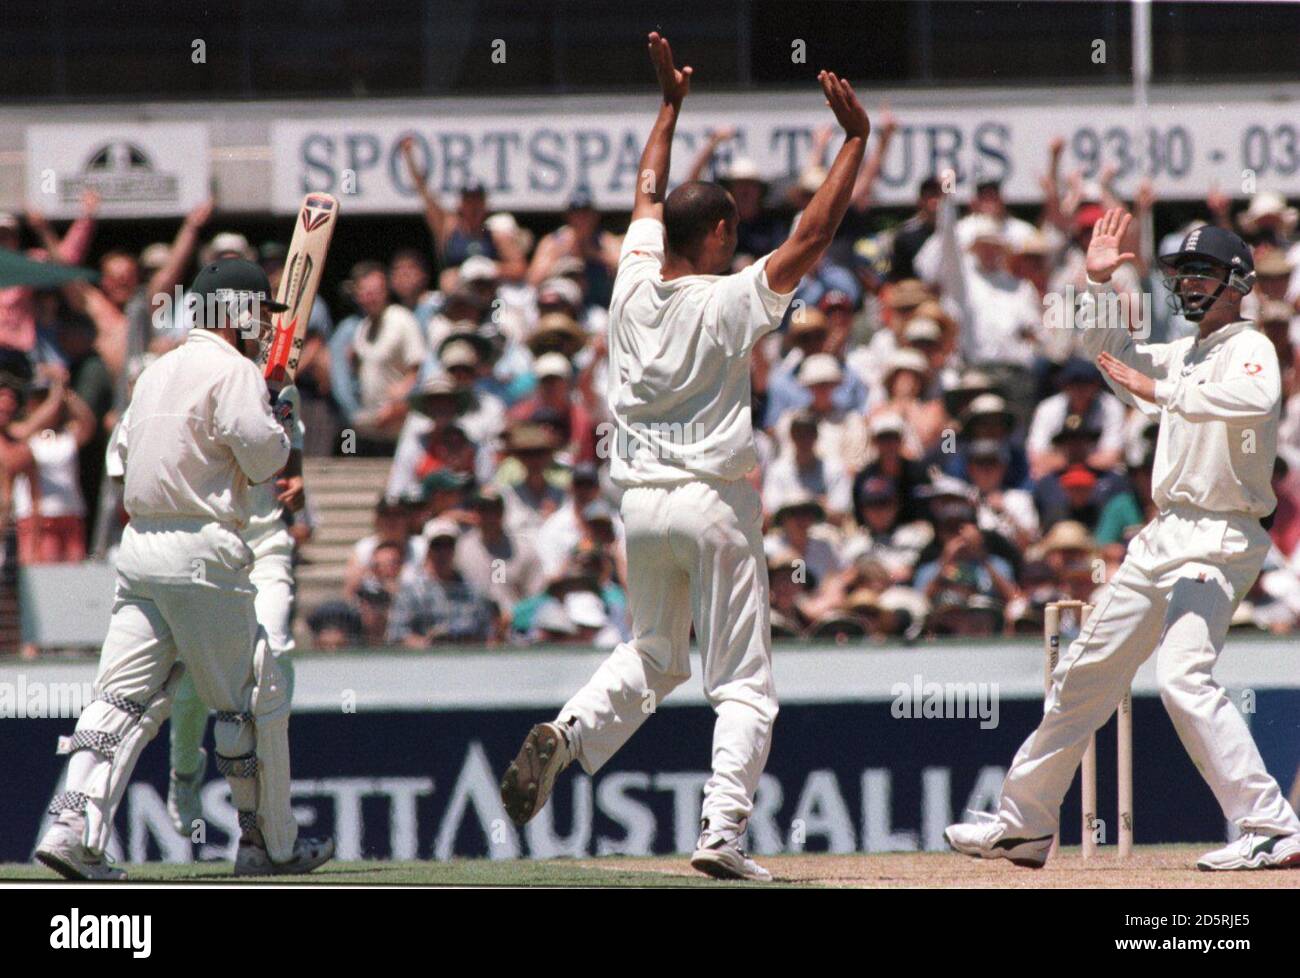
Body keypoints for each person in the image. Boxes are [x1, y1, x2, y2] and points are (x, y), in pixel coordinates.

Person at [498, 33, 871, 882]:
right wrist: (855, 144)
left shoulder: (630, 282)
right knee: (742, 683)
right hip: (711, 499)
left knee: (657, 654)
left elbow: (645, 189)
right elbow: (812, 237)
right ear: (720, 234)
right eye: (734, 233)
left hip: (640, 507)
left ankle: (569, 732)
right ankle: (723, 831)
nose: (739, 247)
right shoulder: (729, 299)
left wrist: (668, 108)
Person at [946, 208, 1300, 871]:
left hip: (1222, 534)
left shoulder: (1251, 347)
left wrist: (1163, 391)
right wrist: (1099, 286)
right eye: (1182, 272)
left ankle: (1272, 827)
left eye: (1204, 272)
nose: (1190, 284)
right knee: (1083, 677)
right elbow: (1110, 357)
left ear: (1240, 282)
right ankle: (1023, 826)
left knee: (1181, 676)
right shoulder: (1186, 351)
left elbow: (1252, 402)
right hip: (1163, 534)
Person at [33, 258, 333, 879]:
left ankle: (69, 830)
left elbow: (121, 461)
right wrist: (277, 419)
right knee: (247, 699)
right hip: (204, 552)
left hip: (139, 552)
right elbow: (262, 463)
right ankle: (265, 846)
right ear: (240, 312)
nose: (261, 326)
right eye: (257, 313)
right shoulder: (236, 372)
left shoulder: (154, 370)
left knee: (118, 699)